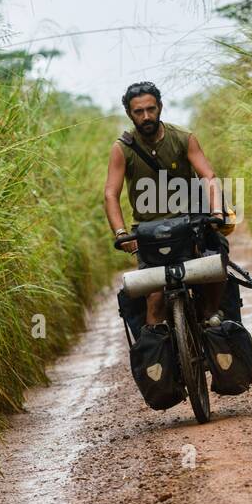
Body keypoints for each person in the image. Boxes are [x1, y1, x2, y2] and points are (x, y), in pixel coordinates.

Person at [103, 80, 235, 330]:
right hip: (148, 233)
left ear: (160, 107)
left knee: (215, 262)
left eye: (151, 109)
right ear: (129, 114)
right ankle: (160, 356)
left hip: (190, 224)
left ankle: (211, 316)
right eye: (138, 112)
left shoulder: (183, 138)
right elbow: (111, 193)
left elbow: (208, 176)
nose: (146, 116)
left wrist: (216, 212)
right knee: (154, 301)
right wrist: (121, 233)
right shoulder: (122, 149)